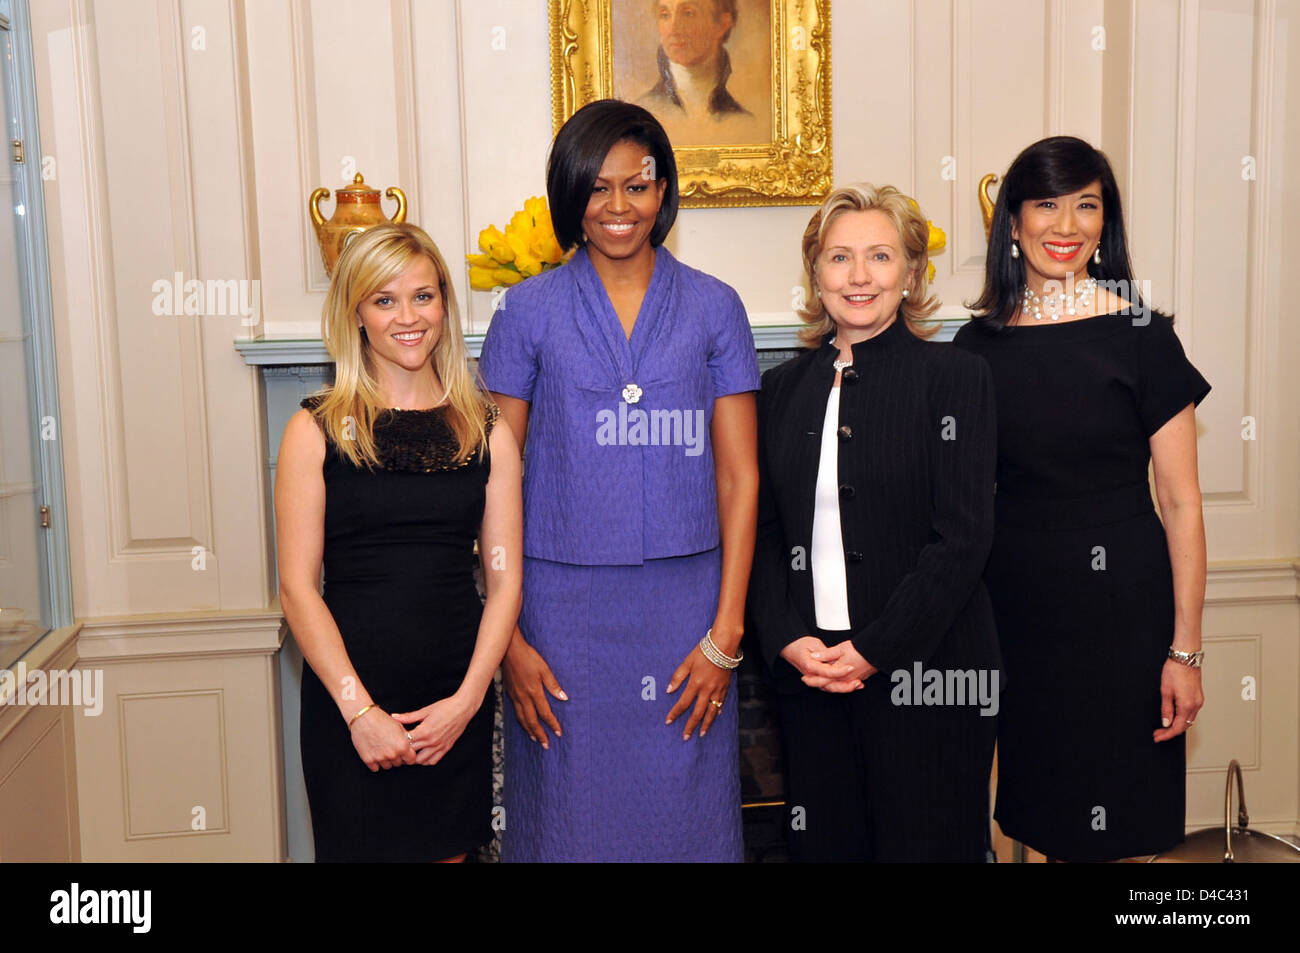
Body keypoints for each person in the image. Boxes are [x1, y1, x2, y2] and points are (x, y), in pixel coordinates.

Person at [478, 99, 759, 862]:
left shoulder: (715, 306)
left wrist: (726, 635)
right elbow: (492, 482)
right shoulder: (525, 311)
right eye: (597, 187)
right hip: (557, 616)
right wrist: (509, 640)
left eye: (637, 184)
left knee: (686, 821)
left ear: (664, 191)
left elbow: (740, 476)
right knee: (568, 825)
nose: (618, 206)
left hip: (687, 613)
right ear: (570, 195)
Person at [954, 135, 1210, 862]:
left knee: (1125, 828)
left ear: (1106, 223)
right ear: (1013, 222)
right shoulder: (974, 352)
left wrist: (1184, 650)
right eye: (1046, 204)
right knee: (1033, 822)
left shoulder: (1143, 337)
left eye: (1086, 206)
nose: (1066, 225)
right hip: (1016, 617)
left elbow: (1184, 504)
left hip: (1126, 617)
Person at [748, 183, 1000, 862]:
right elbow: (764, 536)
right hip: (812, 683)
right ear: (816, 273)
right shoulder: (779, 391)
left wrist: (873, 649)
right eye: (839, 258)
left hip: (929, 677)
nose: (859, 276)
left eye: (880, 256)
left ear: (911, 273)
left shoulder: (957, 377)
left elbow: (963, 538)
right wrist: (788, 639)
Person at [275, 222, 522, 862]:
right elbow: (297, 589)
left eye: (424, 295)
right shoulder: (315, 430)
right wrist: (360, 713)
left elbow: (504, 582)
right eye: (385, 300)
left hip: (453, 703)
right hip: (348, 703)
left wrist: (466, 705)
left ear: (445, 302)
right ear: (356, 313)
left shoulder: (486, 432)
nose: (408, 317)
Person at [638, 0, 751, 121]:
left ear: (722, 24)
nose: (673, 30)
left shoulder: (742, 120)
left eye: (688, 13)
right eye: (665, 15)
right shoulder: (642, 113)